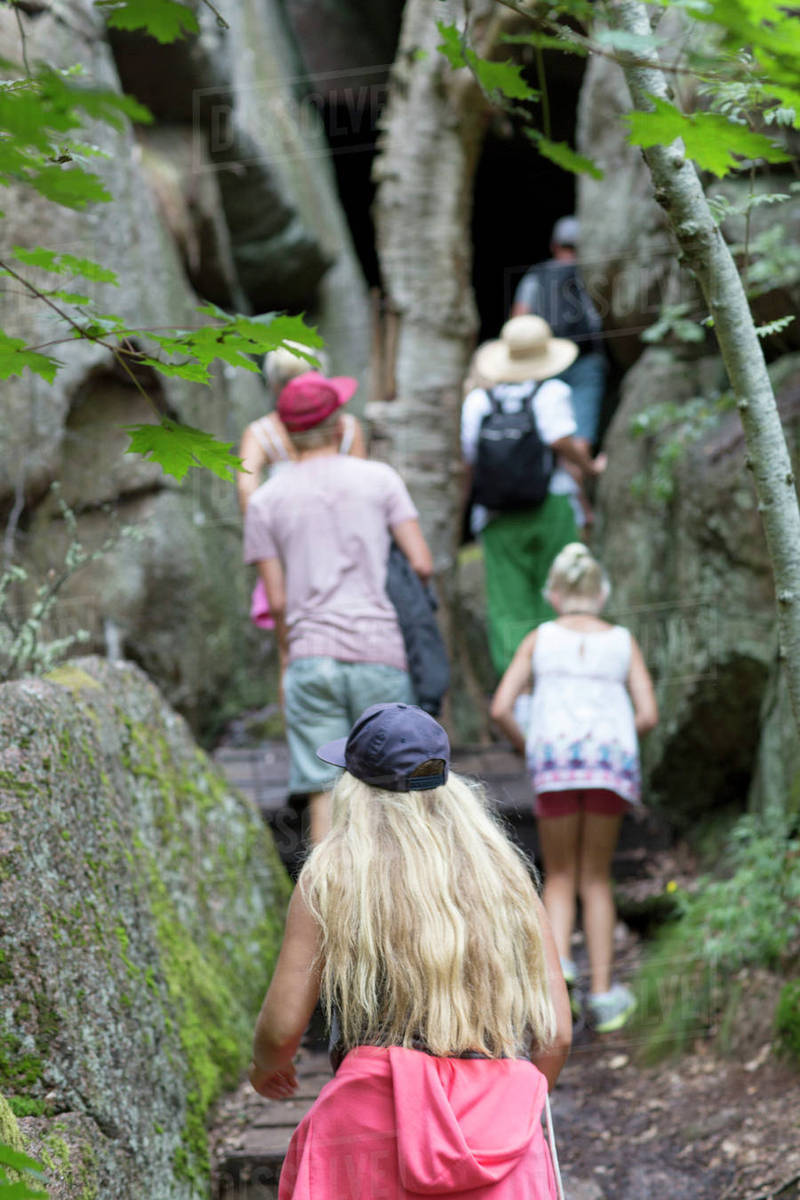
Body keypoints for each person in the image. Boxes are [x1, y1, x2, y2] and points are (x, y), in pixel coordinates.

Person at [249, 702, 573, 1200]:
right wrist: (515, 1107)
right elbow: (556, 1033)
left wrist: (267, 1066)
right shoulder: (505, 875)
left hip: (368, 1129)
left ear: (356, 789)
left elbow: (281, 1028)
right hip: (500, 1126)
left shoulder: (334, 877)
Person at [243, 374, 434, 844]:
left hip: (311, 655)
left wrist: (291, 653)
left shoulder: (265, 501)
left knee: (323, 791)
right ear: (337, 424)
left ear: (285, 432)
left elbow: (279, 599)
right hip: (380, 651)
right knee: (395, 793)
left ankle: (329, 913)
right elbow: (422, 563)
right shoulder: (380, 479)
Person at [490, 543, 659, 1033]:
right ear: (601, 593)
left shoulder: (539, 638)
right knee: (596, 878)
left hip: (555, 765)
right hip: (609, 767)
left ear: (556, 594)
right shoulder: (623, 641)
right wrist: (619, 741)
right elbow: (647, 714)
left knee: (559, 875)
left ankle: (558, 976)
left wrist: (531, 746)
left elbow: (501, 706)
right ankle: (605, 995)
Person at [461, 314, 606, 678]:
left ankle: (519, 692)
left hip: (495, 514)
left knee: (508, 604)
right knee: (562, 593)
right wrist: (589, 468)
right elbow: (559, 440)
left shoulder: (478, 401)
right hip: (551, 505)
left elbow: (469, 459)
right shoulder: (551, 392)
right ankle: (564, 675)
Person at [512, 215, 607, 453]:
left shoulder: (536, 276)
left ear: (554, 245)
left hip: (545, 363)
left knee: (550, 432)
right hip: (585, 360)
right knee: (580, 435)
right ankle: (582, 480)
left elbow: (518, 321)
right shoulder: (590, 275)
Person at [236, 343, 367, 514]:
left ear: (274, 383)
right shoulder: (347, 426)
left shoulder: (260, 432)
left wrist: (261, 530)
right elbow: (362, 483)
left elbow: (246, 488)